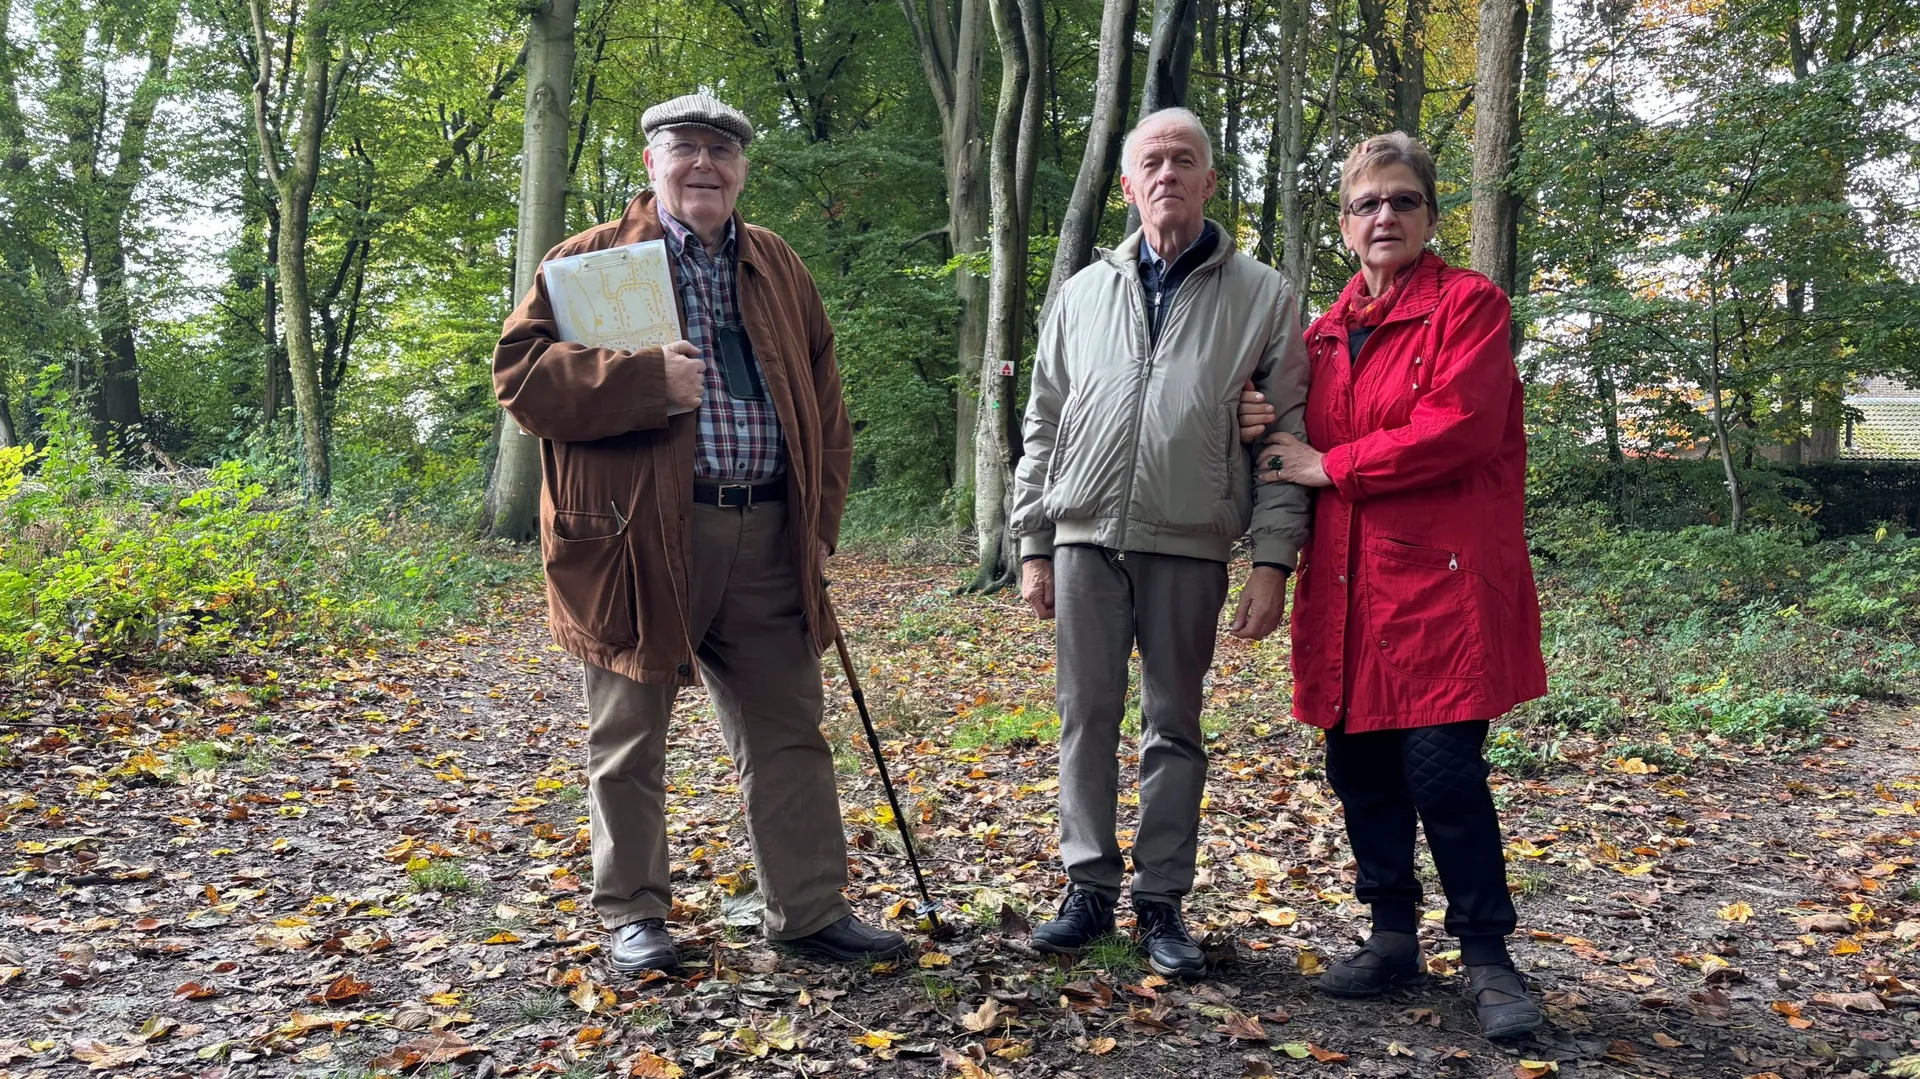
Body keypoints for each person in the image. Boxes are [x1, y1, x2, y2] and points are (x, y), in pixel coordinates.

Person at [492, 92, 908, 974]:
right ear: (653, 163)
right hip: (632, 541)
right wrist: (643, 382)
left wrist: (819, 527)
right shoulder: (590, 263)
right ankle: (635, 914)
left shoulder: (778, 266)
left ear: (743, 169)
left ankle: (808, 910)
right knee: (629, 734)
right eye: (685, 148)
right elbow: (522, 381)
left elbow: (829, 409)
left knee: (789, 729)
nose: (704, 165)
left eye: (722, 149)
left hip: (767, 533)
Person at [1235, 132, 1548, 1037]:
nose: (1385, 217)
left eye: (1403, 201)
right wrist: (1253, 417)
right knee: (1358, 767)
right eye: (1367, 204)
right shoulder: (1320, 335)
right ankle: (1391, 934)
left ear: (1430, 217)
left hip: (1442, 587)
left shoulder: (1470, 306)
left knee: (1443, 770)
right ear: (1344, 224)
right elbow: (1280, 438)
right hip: (1344, 587)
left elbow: (1461, 428)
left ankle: (1488, 956)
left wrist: (1332, 464)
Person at [1010, 107, 1313, 978]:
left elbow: (1285, 433)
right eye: (1153, 160)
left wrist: (1271, 558)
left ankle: (1161, 900)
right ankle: (1088, 887)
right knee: (1084, 719)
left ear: (1211, 181)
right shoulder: (1081, 292)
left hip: (1189, 541)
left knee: (1174, 724)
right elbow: (1043, 422)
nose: (1169, 172)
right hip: (1084, 536)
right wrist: (1033, 542)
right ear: (1128, 183)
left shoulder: (1261, 293)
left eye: (1186, 158)